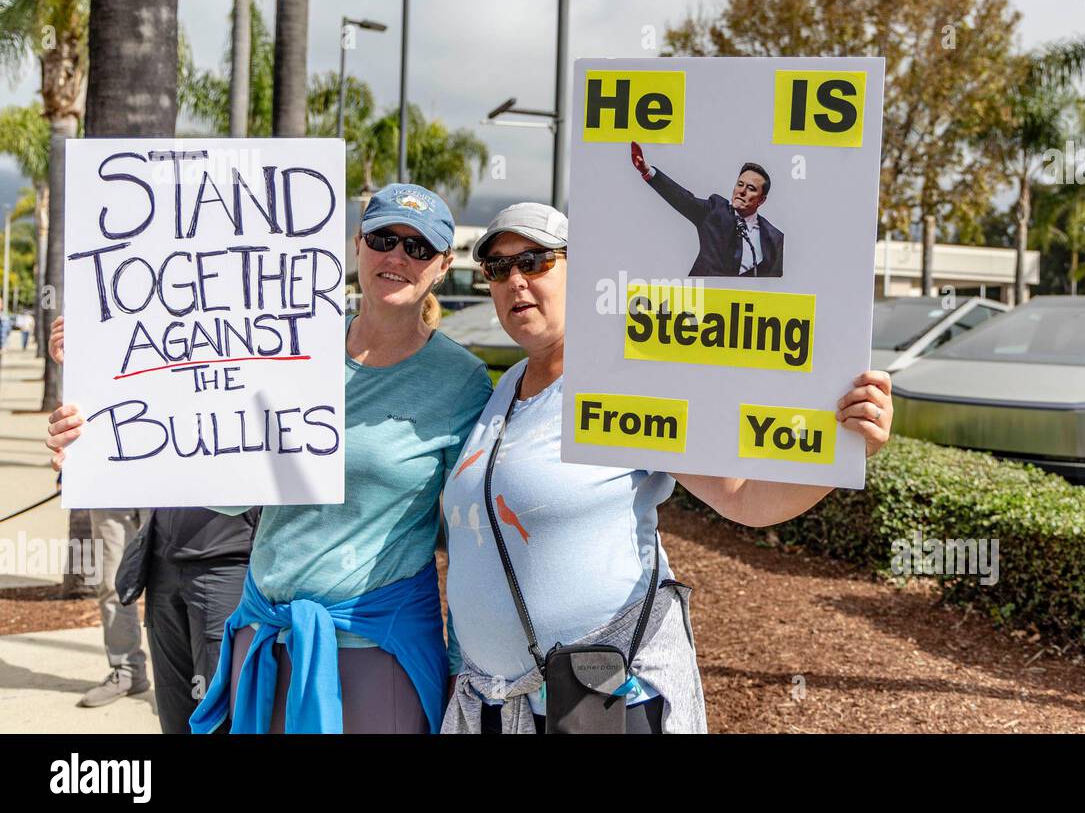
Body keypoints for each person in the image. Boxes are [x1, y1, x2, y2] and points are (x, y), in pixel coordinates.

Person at [46, 183, 492, 733]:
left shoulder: (462, 381)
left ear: (444, 264)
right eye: (384, 238)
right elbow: (231, 488)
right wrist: (98, 450)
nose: (398, 257)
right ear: (358, 245)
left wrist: (467, 671)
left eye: (419, 247)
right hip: (263, 633)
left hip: (379, 643)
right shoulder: (287, 342)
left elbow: (473, 532)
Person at [439, 202, 892, 734]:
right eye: (498, 268)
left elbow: (741, 495)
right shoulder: (503, 389)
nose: (515, 281)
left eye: (536, 261)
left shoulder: (631, 378)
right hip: (496, 706)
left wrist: (844, 450)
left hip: (605, 703)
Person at [47, 316, 257, 729]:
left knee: (219, 705)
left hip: (218, 544)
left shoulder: (234, 320)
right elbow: (116, 390)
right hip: (139, 504)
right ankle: (126, 668)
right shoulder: (135, 304)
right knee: (113, 580)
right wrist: (77, 364)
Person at [630, 141, 785, 277]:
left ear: (762, 200)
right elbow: (683, 199)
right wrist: (646, 171)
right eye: (740, 184)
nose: (742, 191)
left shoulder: (774, 237)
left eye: (751, 188)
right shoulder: (715, 209)